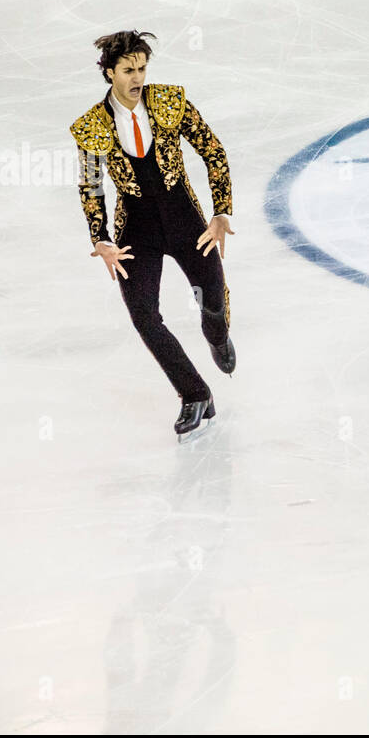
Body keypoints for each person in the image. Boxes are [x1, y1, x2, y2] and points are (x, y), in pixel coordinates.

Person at [69, 30, 236, 439]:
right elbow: (91, 185)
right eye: (128, 70)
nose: (138, 77)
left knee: (213, 300)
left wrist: (220, 212)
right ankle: (195, 394)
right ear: (109, 73)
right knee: (144, 315)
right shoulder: (92, 126)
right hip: (135, 228)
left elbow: (213, 152)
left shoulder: (170, 102)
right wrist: (101, 238)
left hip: (184, 218)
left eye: (142, 67)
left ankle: (216, 333)